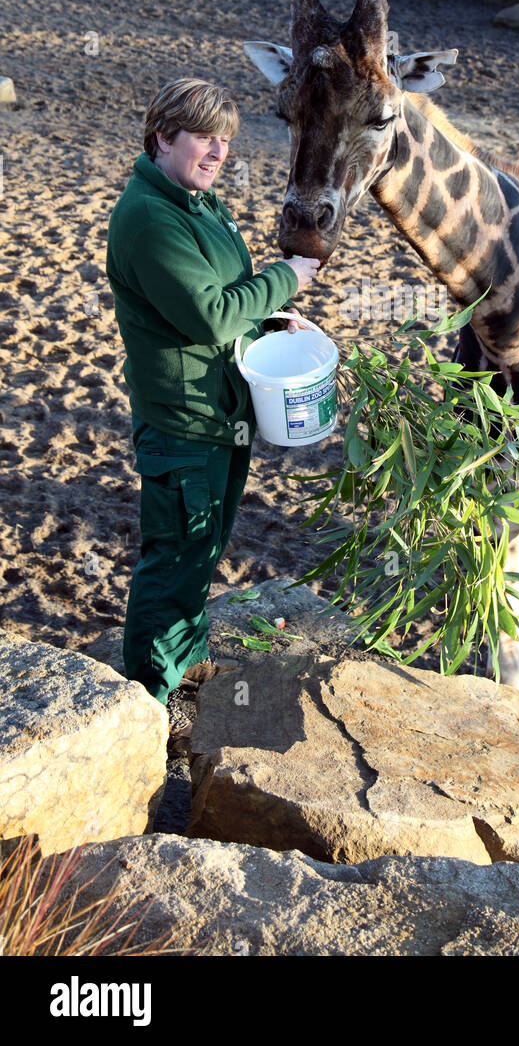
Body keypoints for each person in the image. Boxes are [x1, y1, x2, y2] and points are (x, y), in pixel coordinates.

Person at [105, 77, 319, 733]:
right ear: (162, 135)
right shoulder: (148, 217)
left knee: (201, 555)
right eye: (204, 137)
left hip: (221, 414)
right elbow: (207, 314)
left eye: (225, 140)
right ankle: (154, 707)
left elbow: (230, 304)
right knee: (173, 562)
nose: (218, 152)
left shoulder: (202, 204)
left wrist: (276, 319)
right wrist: (288, 277)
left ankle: (188, 675)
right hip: (183, 422)